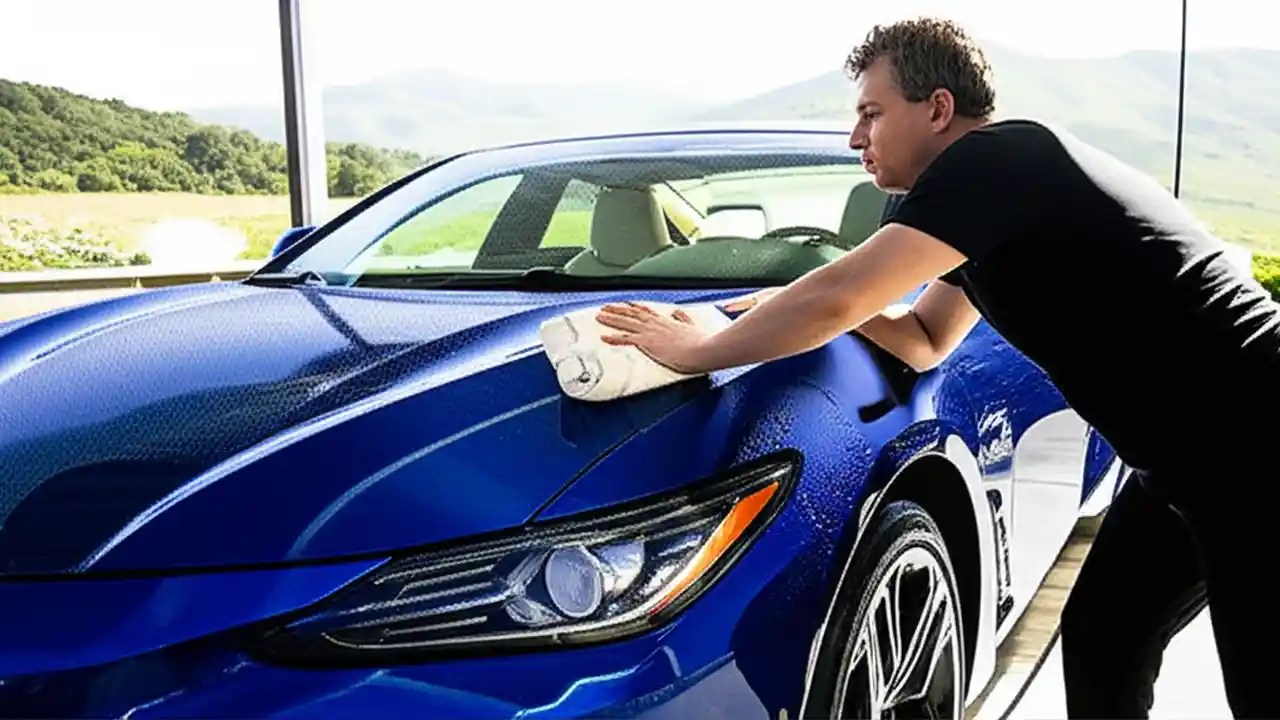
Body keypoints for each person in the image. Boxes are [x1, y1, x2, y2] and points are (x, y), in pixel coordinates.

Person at [595, 16, 1280, 719]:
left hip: (1253, 434)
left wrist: (698, 350)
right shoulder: (990, 201)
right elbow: (926, 335)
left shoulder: (992, 162)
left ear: (939, 109)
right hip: (1184, 457)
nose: (857, 137)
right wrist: (785, 301)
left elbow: (839, 295)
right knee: (1105, 637)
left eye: (871, 113)